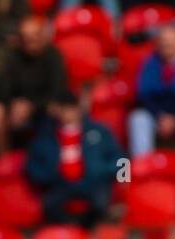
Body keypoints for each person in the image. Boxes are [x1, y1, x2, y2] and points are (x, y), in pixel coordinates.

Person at [26, 92, 121, 227]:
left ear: (78, 108)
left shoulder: (100, 132)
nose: (67, 112)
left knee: (100, 204)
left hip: (94, 184)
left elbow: (122, 161)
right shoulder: (45, 136)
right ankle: (70, 234)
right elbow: (32, 167)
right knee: (51, 206)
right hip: (60, 185)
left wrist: (104, 173)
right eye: (63, 108)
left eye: (70, 107)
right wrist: (51, 176)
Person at [0, 16, 68, 152]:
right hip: (16, 110)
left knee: (55, 108)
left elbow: (57, 90)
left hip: (42, 107)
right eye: (26, 38)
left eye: (35, 37)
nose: (31, 42)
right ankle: (3, 164)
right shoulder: (13, 56)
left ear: (43, 36)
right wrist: (14, 104)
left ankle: (46, 157)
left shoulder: (53, 56)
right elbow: (1, 88)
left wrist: (31, 106)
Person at [129, 25, 175, 159]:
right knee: (138, 118)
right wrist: (160, 116)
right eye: (163, 41)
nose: (166, 44)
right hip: (157, 115)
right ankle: (142, 167)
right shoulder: (151, 63)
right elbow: (144, 93)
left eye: (170, 41)